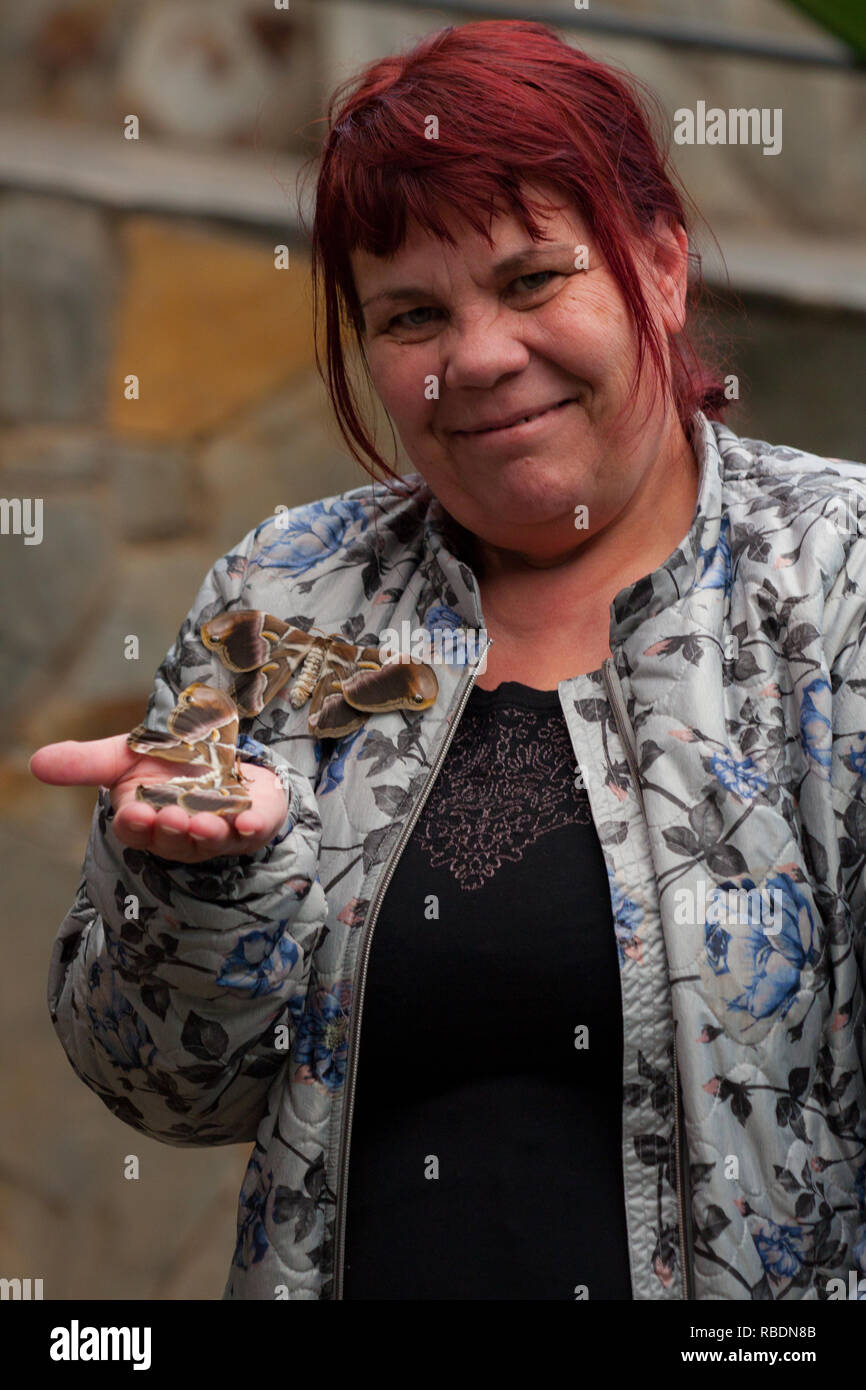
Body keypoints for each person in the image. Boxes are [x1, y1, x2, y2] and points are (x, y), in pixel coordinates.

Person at [31, 20, 866, 1301]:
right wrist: (200, 884)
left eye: (532, 280)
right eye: (413, 313)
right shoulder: (284, 599)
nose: (476, 356)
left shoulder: (833, 580)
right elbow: (163, 1086)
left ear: (657, 259)